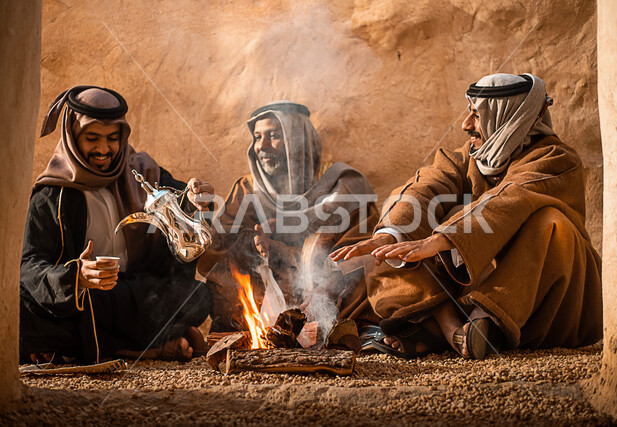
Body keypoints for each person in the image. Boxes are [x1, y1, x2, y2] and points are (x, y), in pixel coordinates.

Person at [331, 73, 603, 359]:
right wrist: (391, 233)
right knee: (395, 242)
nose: (466, 125)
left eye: (477, 115)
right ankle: (452, 327)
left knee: (551, 223)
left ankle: (481, 321)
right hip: (463, 296)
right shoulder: (469, 157)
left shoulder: (556, 159)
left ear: (509, 118)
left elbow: (509, 199)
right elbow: (424, 187)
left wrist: (443, 240)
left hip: (542, 307)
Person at [20, 86, 212, 364]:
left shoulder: (142, 172)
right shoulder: (52, 193)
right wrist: (76, 277)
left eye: (112, 138)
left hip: (133, 297)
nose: (103, 149)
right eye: (92, 138)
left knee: (198, 296)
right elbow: (30, 265)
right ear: (73, 136)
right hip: (83, 300)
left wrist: (198, 198)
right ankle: (145, 347)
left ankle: (83, 348)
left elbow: (182, 202)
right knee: (22, 312)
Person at [190, 101, 379, 343]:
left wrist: (328, 283)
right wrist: (252, 242)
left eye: (273, 136)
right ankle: (271, 333)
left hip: (329, 291)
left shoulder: (341, 183)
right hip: (269, 295)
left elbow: (361, 246)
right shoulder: (248, 189)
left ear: (299, 140)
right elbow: (220, 247)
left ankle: (346, 330)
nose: (262, 146)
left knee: (367, 268)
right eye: (257, 137)